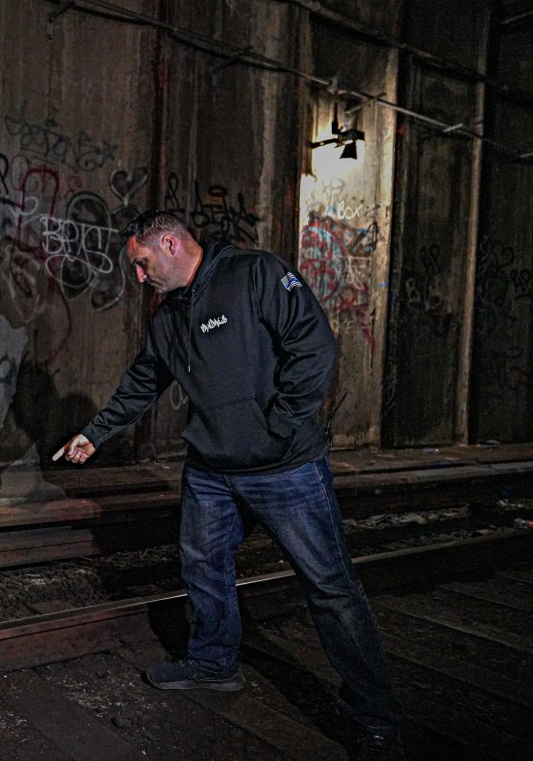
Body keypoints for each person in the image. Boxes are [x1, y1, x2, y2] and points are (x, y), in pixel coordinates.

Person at [54, 210, 404, 761]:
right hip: (212, 470)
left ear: (170, 245)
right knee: (203, 563)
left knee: (330, 589)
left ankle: (376, 717)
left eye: (142, 263)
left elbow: (314, 347)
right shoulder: (169, 314)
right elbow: (145, 379)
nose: (139, 276)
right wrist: (95, 433)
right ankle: (214, 663)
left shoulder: (255, 274)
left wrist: (279, 426)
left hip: (285, 467)